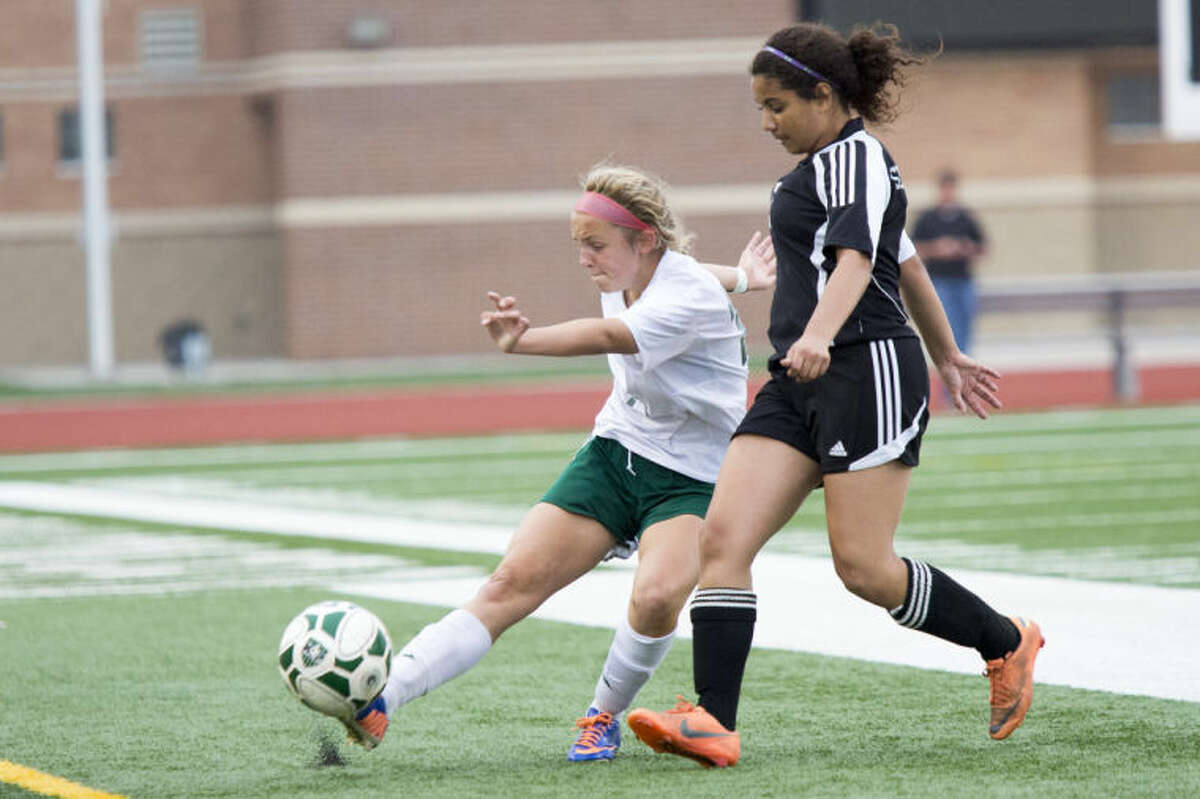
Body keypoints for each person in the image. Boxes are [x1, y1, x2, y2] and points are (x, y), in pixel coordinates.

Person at [626, 23, 1044, 768]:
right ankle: (713, 720)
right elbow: (907, 263)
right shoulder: (815, 170)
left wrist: (830, 337)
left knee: (864, 568)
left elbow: (862, 261)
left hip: (865, 369)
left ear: (824, 95)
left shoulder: (859, 159)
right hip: (798, 379)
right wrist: (948, 354)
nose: (766, 121)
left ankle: (1005, 640)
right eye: (760, 106)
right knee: (720, 539)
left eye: (777, 105)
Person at [339, 163, 776, 761]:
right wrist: (746, 277)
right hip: (615, 451)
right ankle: (384, 701)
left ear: (643, 237)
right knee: (509, 582)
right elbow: (703, 271)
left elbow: (610, 336)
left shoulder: (685, 295)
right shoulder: (644, 270)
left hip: (694, 478)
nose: (584, 259)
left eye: (595, 245)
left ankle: (603, 715)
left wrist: (524, 340)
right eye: (578, 245)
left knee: (654, 599)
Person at [912, 169, 987, 354]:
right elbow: (912, 250)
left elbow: (982, 248)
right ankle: (949, 375)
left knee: (965, 328)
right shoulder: (927, 219)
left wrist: (963, 248)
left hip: (963, 281)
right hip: (938, 281)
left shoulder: (966, 218)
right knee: (946, 328)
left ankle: (965, 372)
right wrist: (937, 249)